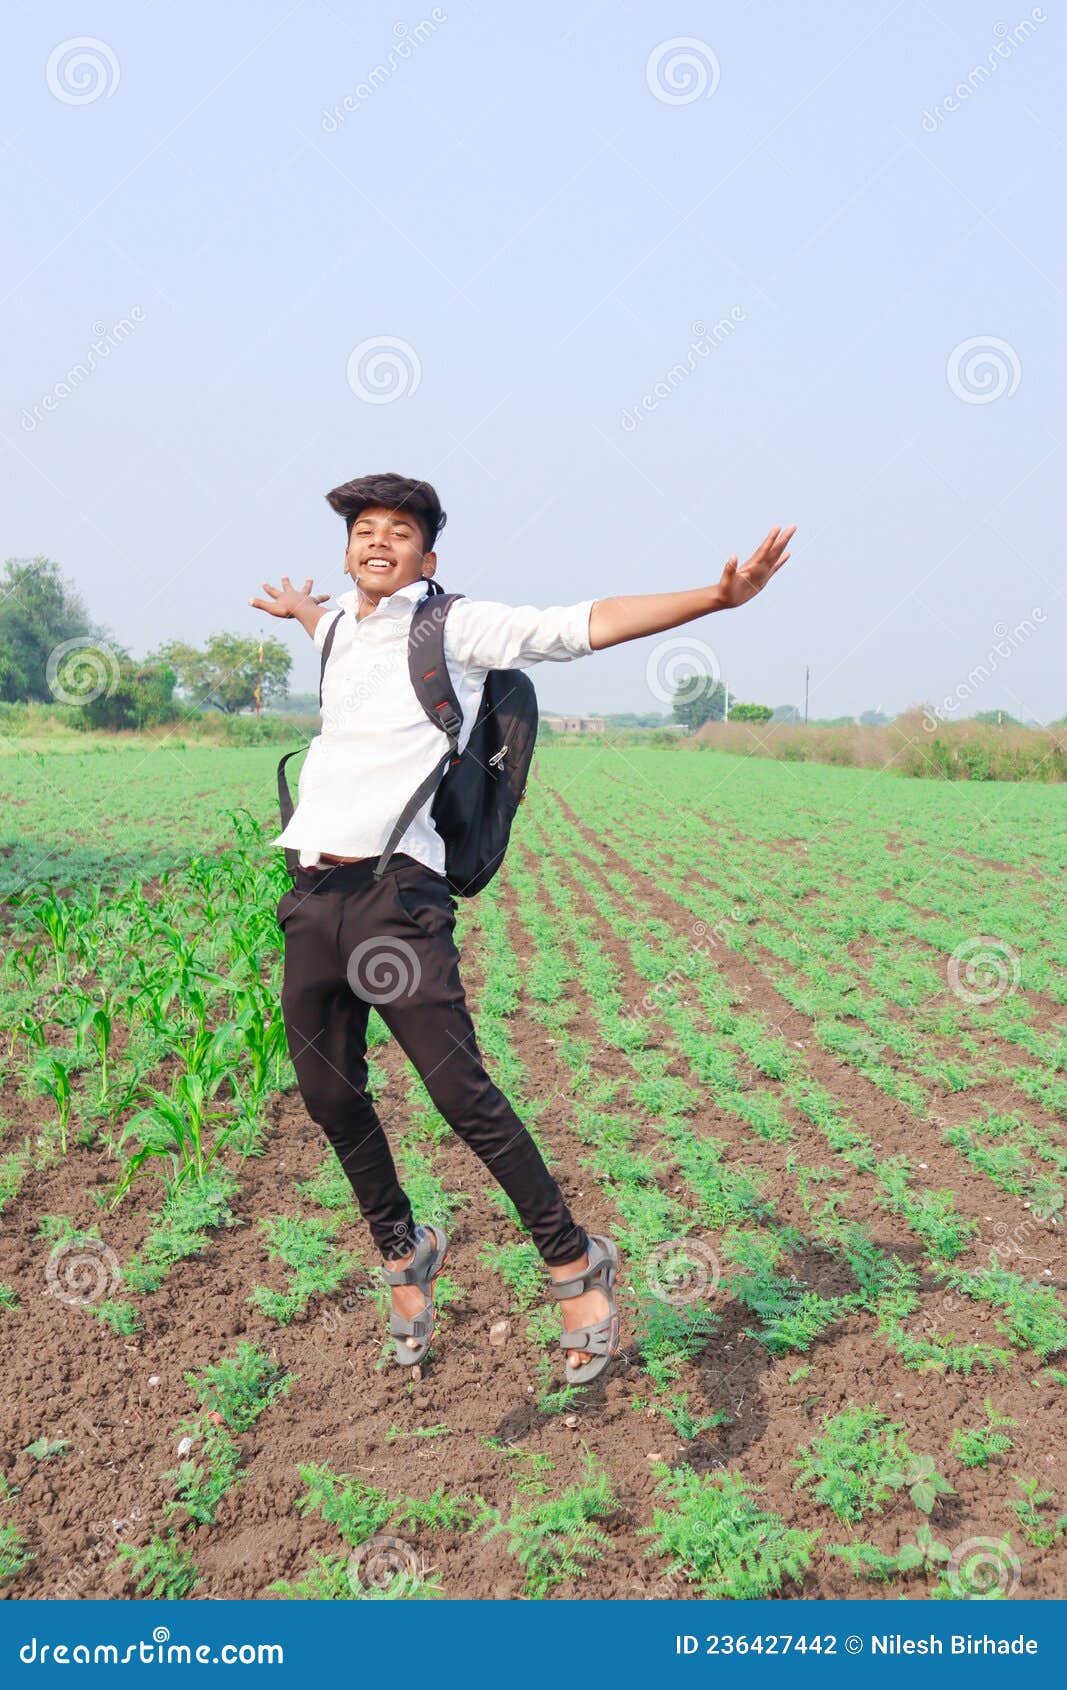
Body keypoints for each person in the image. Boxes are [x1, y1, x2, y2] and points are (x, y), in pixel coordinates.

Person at [250, 472, 793, 1378]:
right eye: (364, 530)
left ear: (428, 556)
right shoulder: (341, 624)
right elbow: (329, 623)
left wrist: (715, 597)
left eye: (398, 532)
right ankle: (404, 1253)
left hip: (395, 896)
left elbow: (582, 624)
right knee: (329, 1097)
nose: (378, 541)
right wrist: (304, 610)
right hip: (310, 896)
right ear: (347, 554)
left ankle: (574, 1261)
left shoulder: (455, 628)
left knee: (459, 1094)